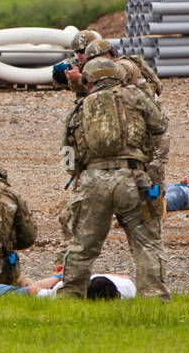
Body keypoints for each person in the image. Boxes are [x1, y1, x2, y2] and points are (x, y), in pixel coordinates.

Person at [60, 58, 171, 300]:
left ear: (88, 81)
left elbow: (68, 157)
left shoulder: (80, 108)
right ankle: (153, 298)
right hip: (132, 178)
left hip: (92, 182)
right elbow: (160, 125)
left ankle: (69, 297)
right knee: (147, 243)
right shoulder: (136, 97)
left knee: (82, 246)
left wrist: (83, 173)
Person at [83, 37, 168, 190]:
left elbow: (105, 88)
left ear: (107, 55)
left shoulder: (123, 67)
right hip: (141, 126)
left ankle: (157, 206)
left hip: (152, 128)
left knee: (153, 177)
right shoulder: (115, 72)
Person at [0, 272, 135, 300]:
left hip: (87, 275)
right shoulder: (67, 295)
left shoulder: (127, 288)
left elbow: (125, 278)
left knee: (23, 291)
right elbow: (36, 290)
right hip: (63, 280)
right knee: (26, 291)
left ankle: (22, 278)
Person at [52, 29, 101, 96]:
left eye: (81, 51)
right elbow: (61, 86)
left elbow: (101, 87)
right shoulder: (77, 64)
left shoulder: (101, 64)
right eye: (76, 51)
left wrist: (79, 78)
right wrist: (61, 77)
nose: (78, 54)